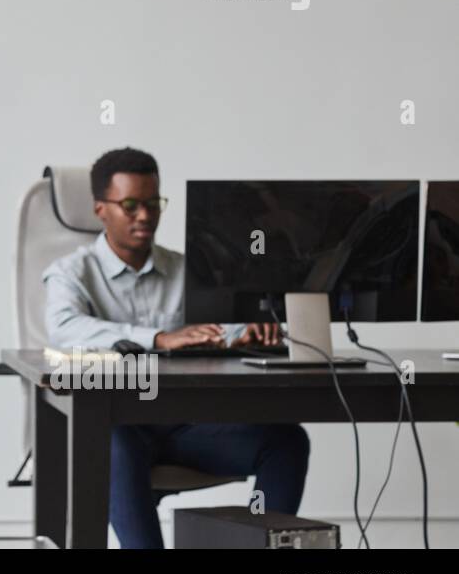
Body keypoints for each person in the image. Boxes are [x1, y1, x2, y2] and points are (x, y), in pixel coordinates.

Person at [42, 146, 309, 548]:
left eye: (153, 203)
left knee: (286, 441)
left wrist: (247, 332)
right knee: (113, 442)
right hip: (115, 426)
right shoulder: (71, 273)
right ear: (100, 209)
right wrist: (158, 339)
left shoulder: (187, 270)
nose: (146, 216)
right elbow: (65, 329)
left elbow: (220, 325)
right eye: (130, 205)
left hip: (184, 426)